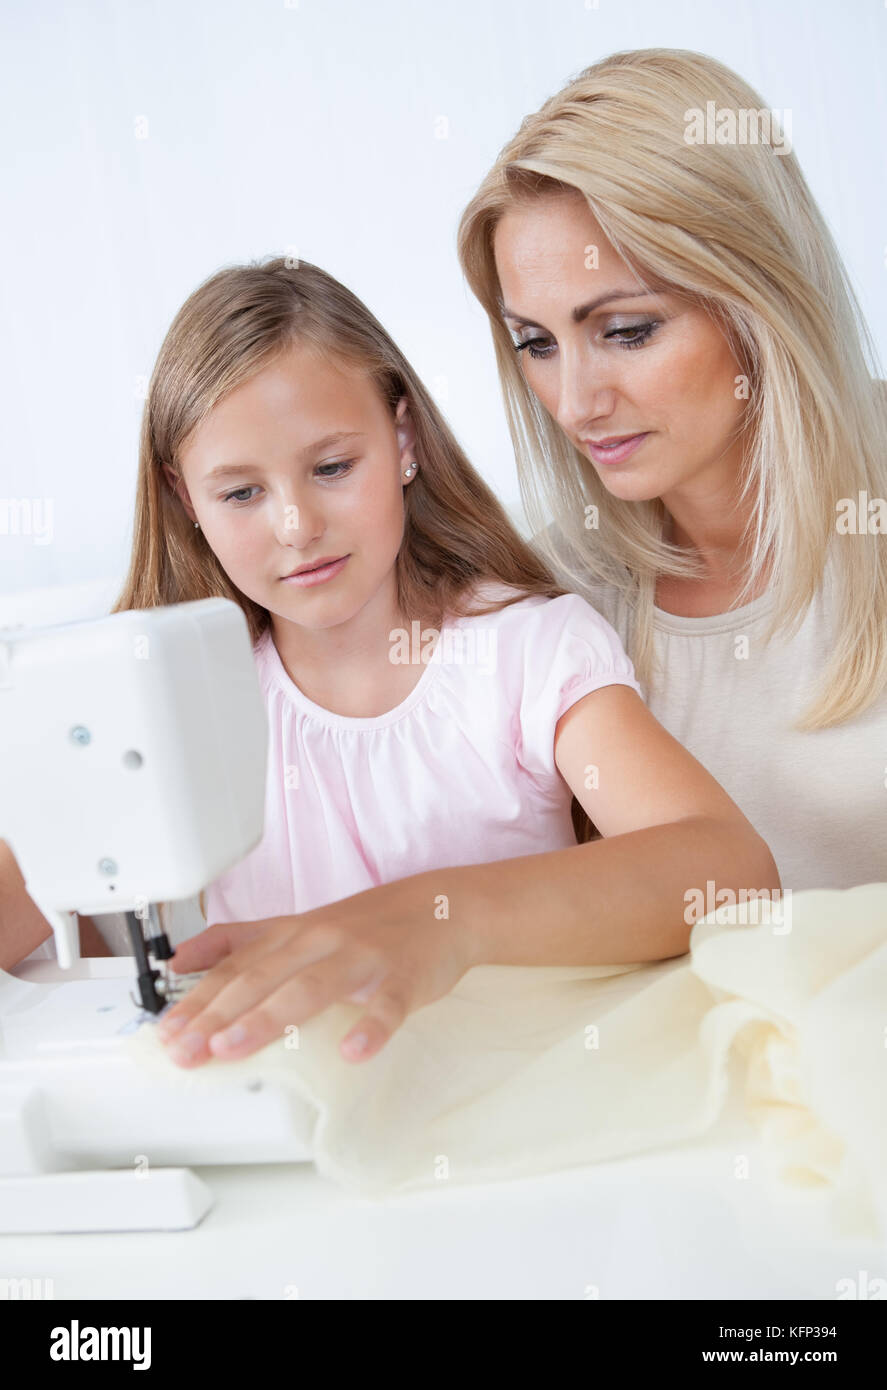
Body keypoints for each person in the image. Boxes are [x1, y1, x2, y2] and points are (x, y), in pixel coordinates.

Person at [18, 254, 772, 1069]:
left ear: (403, 436)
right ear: (183, 499)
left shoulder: (526, 653)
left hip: (520, 1083)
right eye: (240, 493)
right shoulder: (170, 699)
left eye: (332, 468)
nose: (297, 525)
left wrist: (429, 915)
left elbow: (726, 870)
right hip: (312, 1110)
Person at [456, 46, 887, 893]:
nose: (575, 402)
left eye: (625, 331)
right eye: (536, 344)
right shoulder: (552, 600)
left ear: (756, 295)